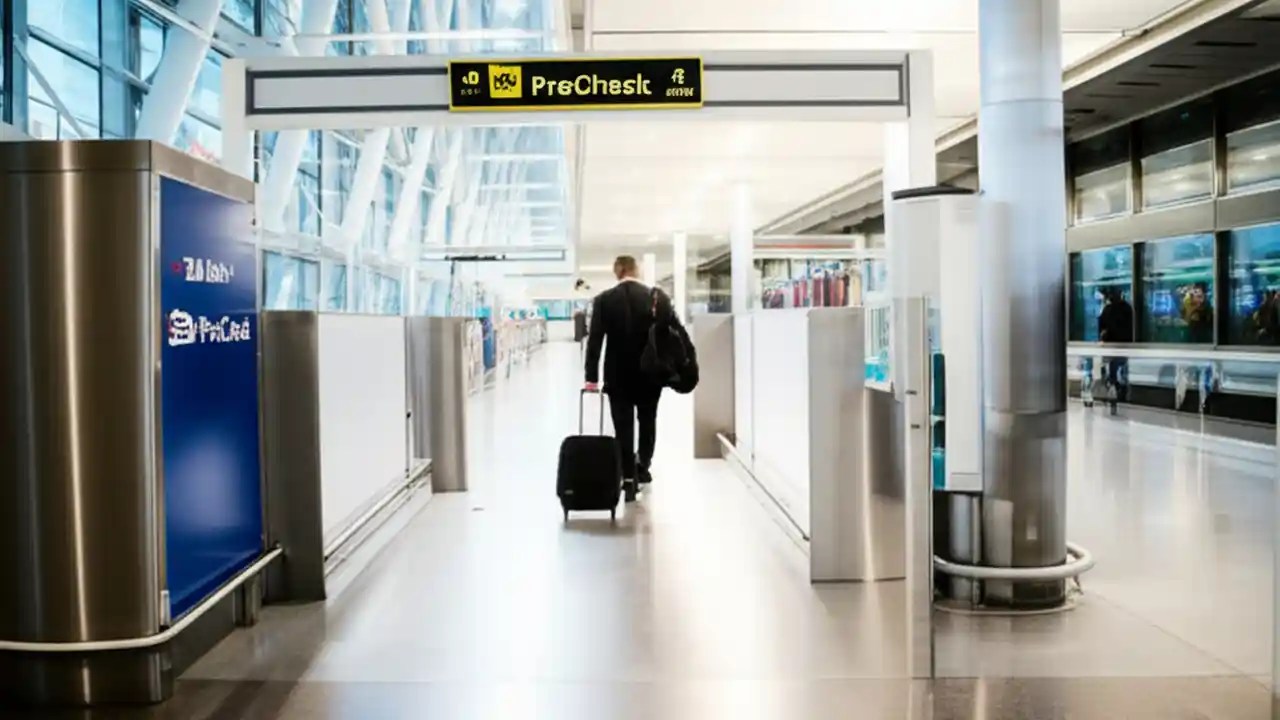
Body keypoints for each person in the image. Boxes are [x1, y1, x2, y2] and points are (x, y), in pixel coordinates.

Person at [584, 256, 662, 501]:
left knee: (623, 426)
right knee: (648, 419)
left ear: (617, 272)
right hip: (649, 374)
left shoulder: (604, 300)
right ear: (635, 270)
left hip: (617, 375)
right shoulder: (654, 298)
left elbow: (595, 340)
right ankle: (643, 467)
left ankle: (628, 478)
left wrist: (591, 378)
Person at [1097, 287, 1134, 415]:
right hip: (1124, 347)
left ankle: (1113, 392)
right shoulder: (1127, 309)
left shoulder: (1107, 310)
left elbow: (1101, 328)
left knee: (1112, 371)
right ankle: (1120, 392)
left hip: (1110, 347)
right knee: (1121, 369)